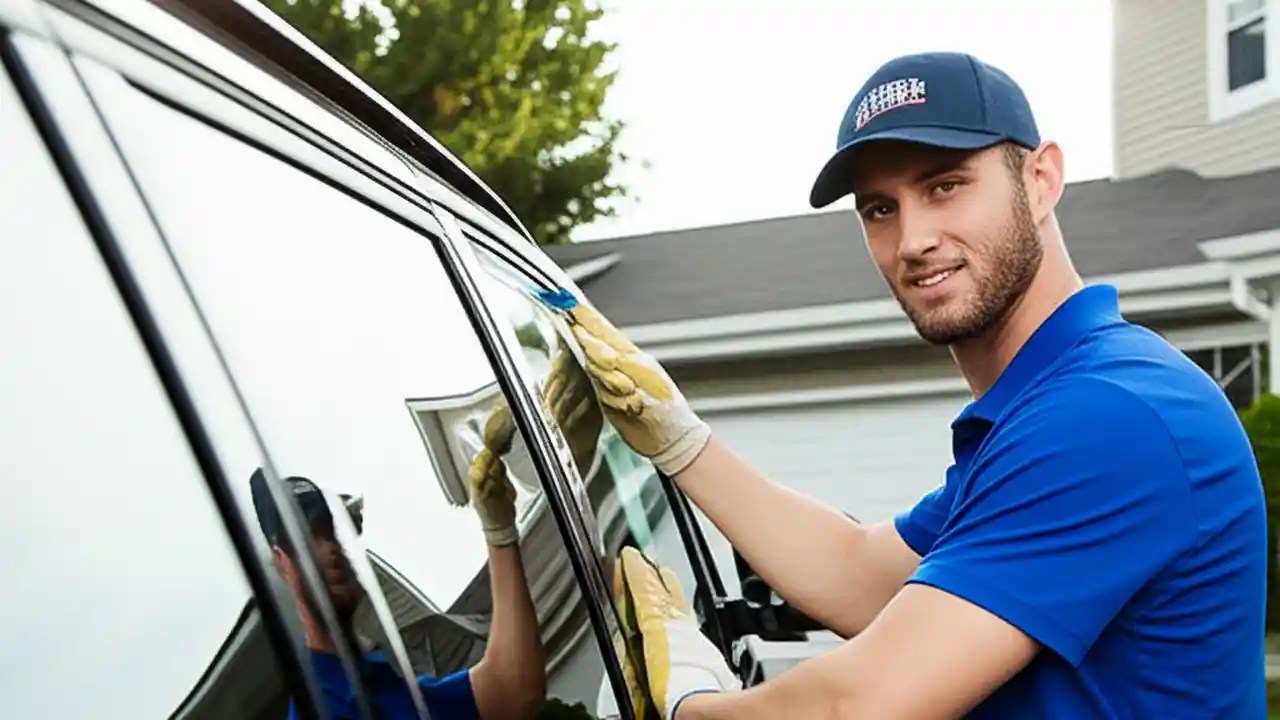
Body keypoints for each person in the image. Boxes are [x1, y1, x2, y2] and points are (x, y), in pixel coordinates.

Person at [565, 51, 1269, 719]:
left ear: (1042, 179)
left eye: (945, 185)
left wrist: (686, 703)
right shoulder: (1046, 408)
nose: (912, 240)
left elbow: (863, 705)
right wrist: (679, 439)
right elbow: (859, 573)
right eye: (881, 208)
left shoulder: (1108, 417)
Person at [249, 452, 546, 719]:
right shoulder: (319, 708)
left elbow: (512, 689)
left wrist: (499, 529)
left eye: (332, 531)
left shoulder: (383, 683)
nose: (329, 549)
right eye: (305, 540)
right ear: (282, 564)